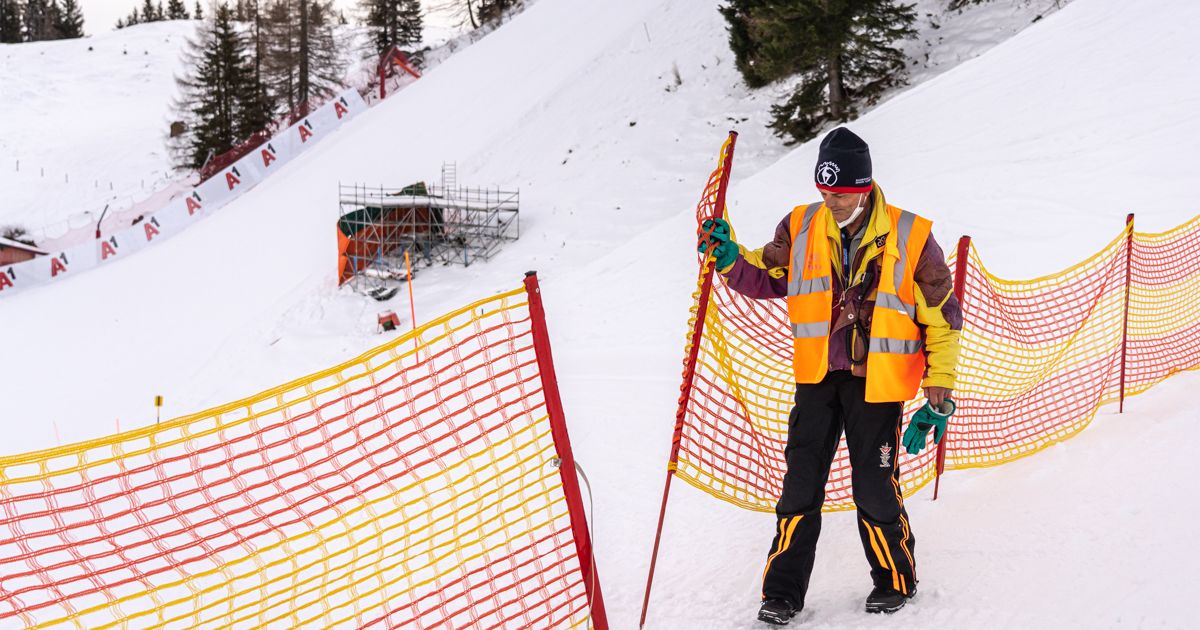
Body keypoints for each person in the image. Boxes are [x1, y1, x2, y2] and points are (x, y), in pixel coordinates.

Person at [698, 127, 962, 625]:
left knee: (874, 486)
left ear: (864, 187)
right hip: (817, 378)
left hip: (877, 384)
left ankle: (894, 581)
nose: (830, 201)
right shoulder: (800, 226)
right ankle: (782, 594)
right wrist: (731, 260)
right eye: (824, 191)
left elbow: (944, 321)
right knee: (800, 484)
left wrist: (939, 394)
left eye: (840, 193)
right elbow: (767, 275)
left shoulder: (913, 238)